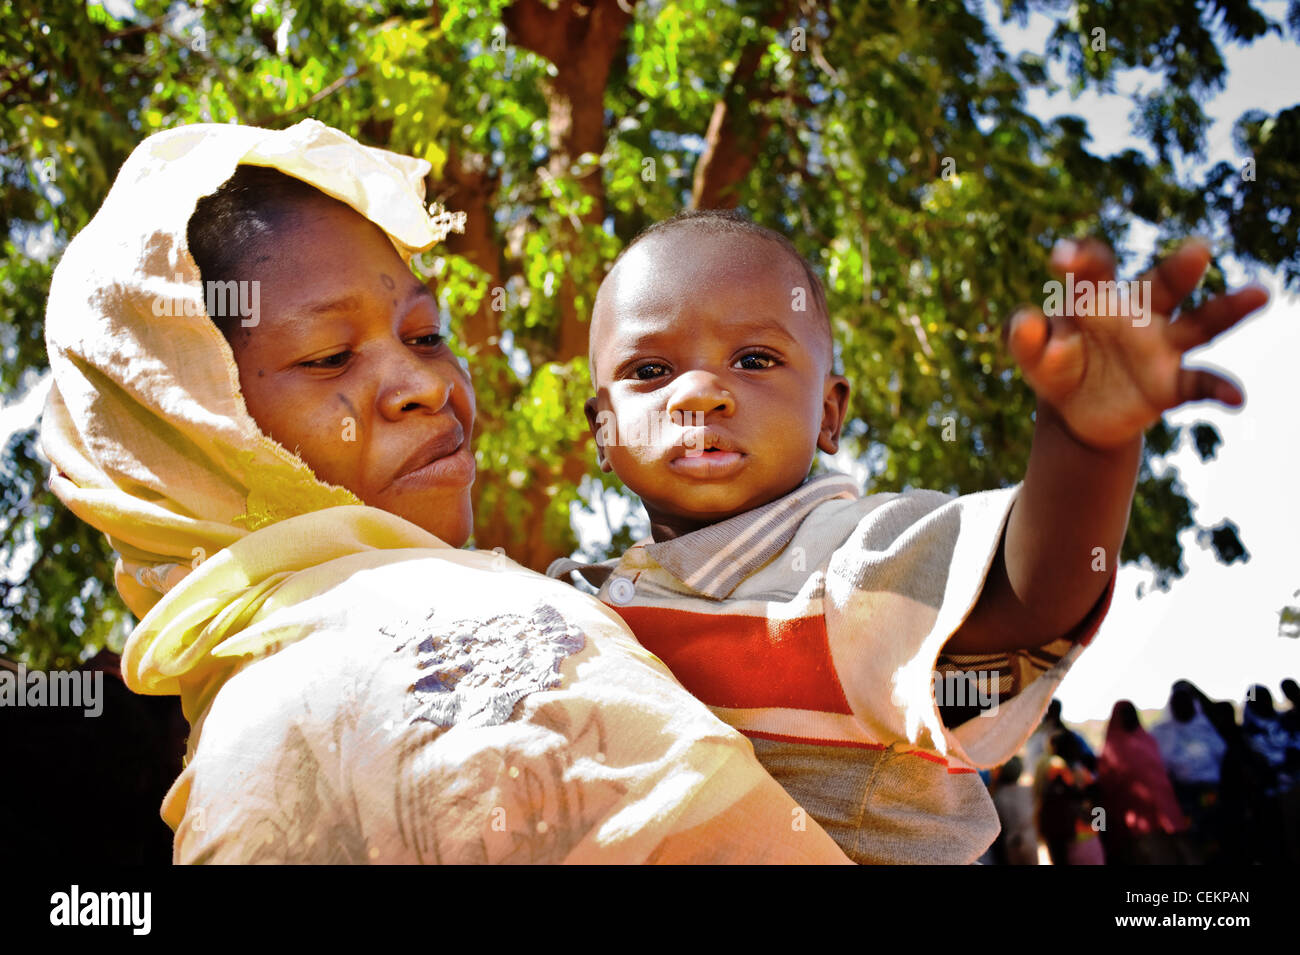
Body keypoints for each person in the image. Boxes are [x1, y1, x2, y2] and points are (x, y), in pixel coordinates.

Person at [39, 119, 856, 864]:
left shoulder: (236, 738)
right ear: (191, 429)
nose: (423, 383)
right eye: (329, 356)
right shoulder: (427, 638)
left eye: (427, 335)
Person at [550, 208, 1269, 864]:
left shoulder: (846, 562)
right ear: (602, 432)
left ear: (830, 414)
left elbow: (1018, 608)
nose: (699, 392)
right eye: (650, 370)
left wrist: (1085, 443)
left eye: (754, 359)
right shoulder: (577, 606)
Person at [1096, 700, 1193, 864]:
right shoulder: (1112, 749)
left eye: (1131, 712)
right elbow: (1108, 790)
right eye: (1125, 714)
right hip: (1140, 825)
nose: (1130, 717)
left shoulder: (1148, 740)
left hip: (1169, 816)